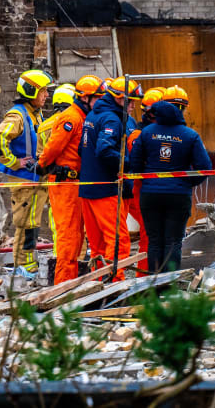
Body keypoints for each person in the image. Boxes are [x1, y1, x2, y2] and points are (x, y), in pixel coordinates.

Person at [128, 98, 211, 274]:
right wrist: (187, 183)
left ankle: (155, 285)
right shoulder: (190, 135)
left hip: (150, 194)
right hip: (178, 195)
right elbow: (204, 167)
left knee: (154, 240)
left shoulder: (147, 133)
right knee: (173, 241)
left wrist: (148, 179)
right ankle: (170, 285)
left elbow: (134, 162)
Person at [37, 75, 101, 284]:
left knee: (77, 235)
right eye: (96, 98)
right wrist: (41, 166)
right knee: (67, 234)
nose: (99, 102)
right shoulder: (70, 118)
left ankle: (70, 281)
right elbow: (52, 149)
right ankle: (63, 283)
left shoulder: (82, 117)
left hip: (76, 183)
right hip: (65, 183)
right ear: (85, 98)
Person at [78, 76, 142, 281]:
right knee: (118, 242)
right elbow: (105, 151)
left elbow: (82, 149)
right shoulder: (112, 119)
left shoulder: (92, 116)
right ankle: (115, 286)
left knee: (97, 245)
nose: (133, 106)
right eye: (130, 101)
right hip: (106, 190)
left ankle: (97, 287)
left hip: (88, 189)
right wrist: (129, 164)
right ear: (119, 99)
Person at [0, 69, 53, 278]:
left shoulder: (35, 114)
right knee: (25, 224)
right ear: (31, 92)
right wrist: (14, 162)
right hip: (24, 180)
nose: (46, 95)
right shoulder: (17, 115)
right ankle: (23, 265)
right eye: (43, 91)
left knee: (33, 224)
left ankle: (28, 263)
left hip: (35, 178)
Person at [124, 87, 166, 273]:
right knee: (149, 235)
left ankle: (155, 274)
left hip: (154, 190)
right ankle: (146, 276)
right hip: (142, 189)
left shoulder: (153, 132)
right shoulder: (138, 134)